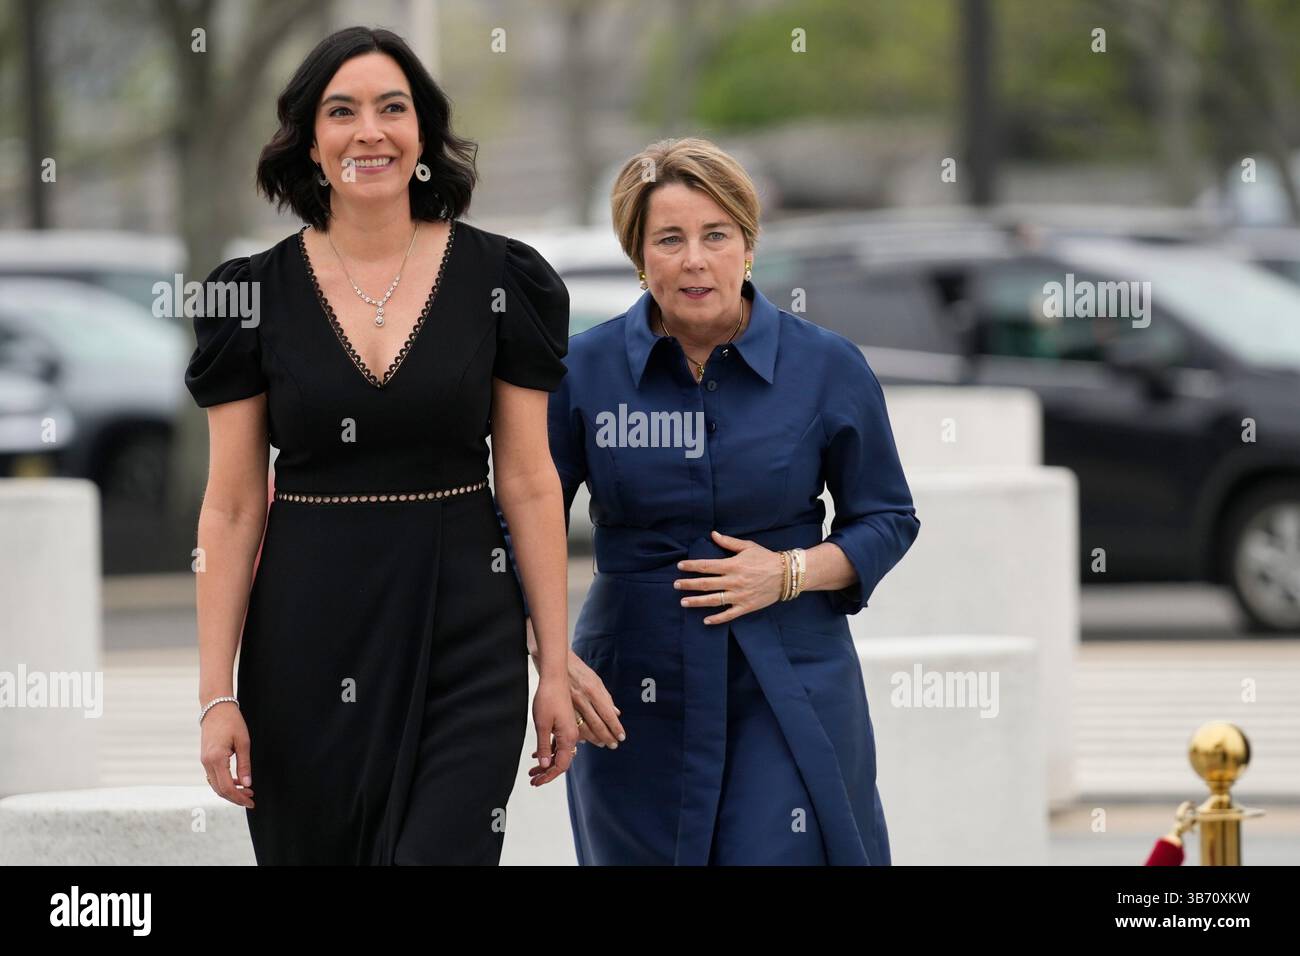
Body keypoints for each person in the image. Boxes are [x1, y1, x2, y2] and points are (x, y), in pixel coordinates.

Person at [185, 26, 575, 865]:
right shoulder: (246, 298)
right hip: (305, 637)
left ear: (424, 135)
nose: (371, 131)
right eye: (343, 111)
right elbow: (230, 507)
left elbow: (532, 482)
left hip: (466, 631)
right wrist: (217, 694)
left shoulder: (507, 281)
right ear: (309, 142)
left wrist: (556, 663)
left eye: (393, 108)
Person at [505, 137, 920, 864]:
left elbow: (887, 517)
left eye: (715, 235)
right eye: (670, 238)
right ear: (640, 255)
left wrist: (788, 571)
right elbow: (516, 524)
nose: (695, 259)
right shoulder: (582, 372)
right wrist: (552, 658)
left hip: (789, 674)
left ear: (748, 245)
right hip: (628, 685)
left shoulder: (827, 366)